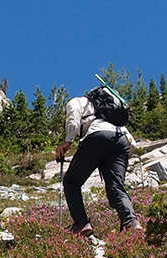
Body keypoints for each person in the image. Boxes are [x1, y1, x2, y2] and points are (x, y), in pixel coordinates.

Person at [55, 85, 139, 236]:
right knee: (116, 186)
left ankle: (81, 224)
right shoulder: (112, 111)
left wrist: (68, 141)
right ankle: (131, 222)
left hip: (97, 136)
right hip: (122, 140)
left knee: (71, 182)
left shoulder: (81, 101)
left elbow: (73, 112)